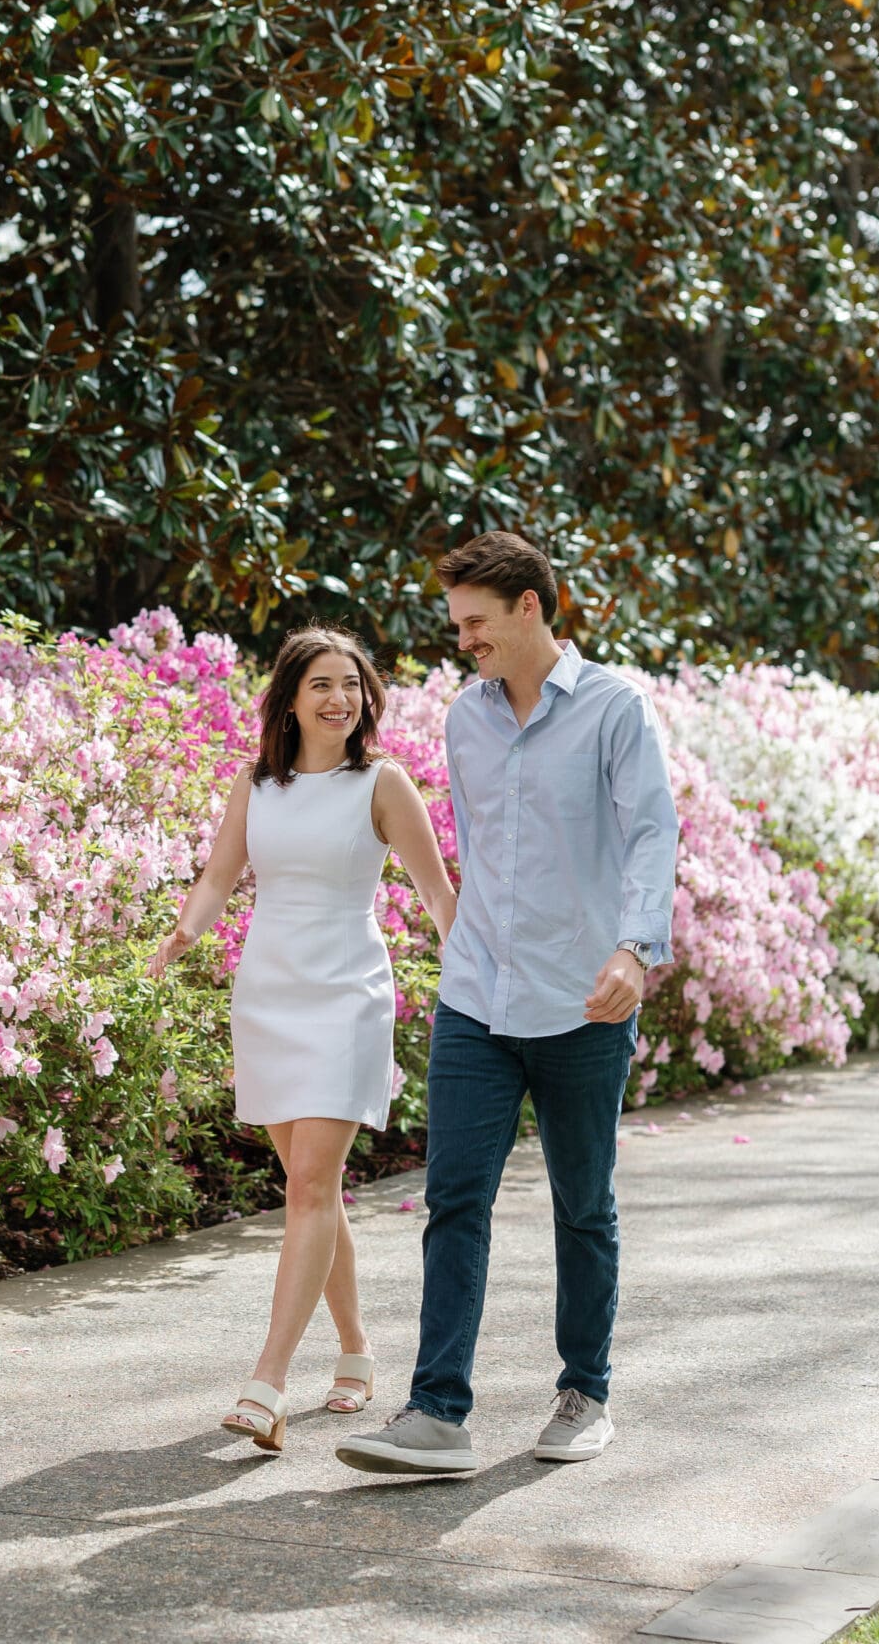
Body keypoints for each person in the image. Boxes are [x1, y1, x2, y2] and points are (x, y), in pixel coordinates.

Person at [337, 532, 679, 1476]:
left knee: (582, 1206)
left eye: (476, 622)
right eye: (457, 626)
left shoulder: (614, 707)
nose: (465, 641)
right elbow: (482, 852)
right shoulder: (464, 718)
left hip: (584, 1001)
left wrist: (632, 949)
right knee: (453, 1199)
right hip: (478, 996)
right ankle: (437, 1412)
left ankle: (584, 1392)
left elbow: (652, 833)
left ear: (530, 606)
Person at [149, 625, 457, 1453]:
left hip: (347, 998)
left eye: (351, 685)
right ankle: (355, 1350)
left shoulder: (383, 784)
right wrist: (181, 936)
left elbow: (437, 895)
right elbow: (220, 875)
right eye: (320, 684)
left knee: (310, 1188)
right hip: (268, 997)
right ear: (289, 698)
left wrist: (482, 981)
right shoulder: (258, 787)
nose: (339, 699)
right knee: (309, 1190)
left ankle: (267, 1383)